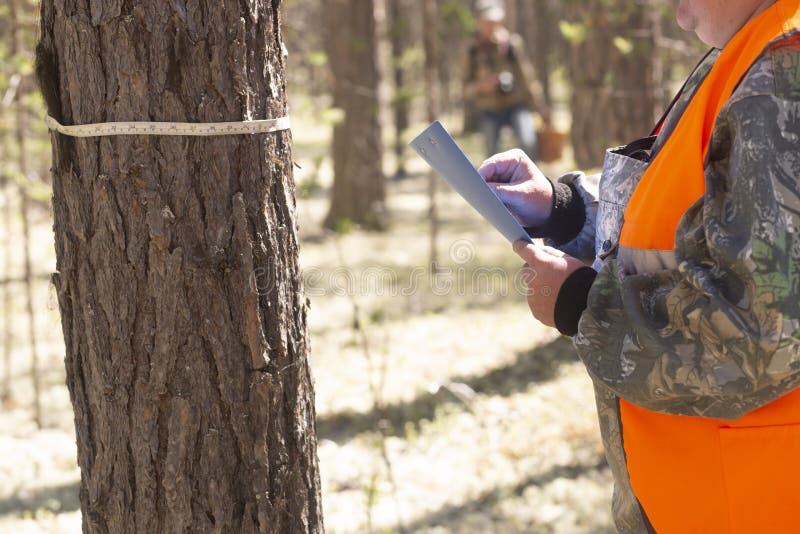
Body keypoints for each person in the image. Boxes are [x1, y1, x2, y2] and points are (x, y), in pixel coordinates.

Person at [480, 0, 800, 531]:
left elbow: (761, 331)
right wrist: (565, 212)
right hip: (699, 492)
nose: (679, 17)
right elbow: (696, 225)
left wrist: (582, 304)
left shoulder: (784, 73)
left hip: (757, 502)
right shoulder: (748, 53)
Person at [463, 0, 546, 160]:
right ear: (478, 21)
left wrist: (539, 106)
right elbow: (465, 88)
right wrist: (482, 86)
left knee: (527, 142)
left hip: (516, 103)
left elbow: (527, 77)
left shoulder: (511, 44)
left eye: (494, 21)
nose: (491, 25)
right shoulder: (471, 50)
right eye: (487, 21)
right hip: (488, 109)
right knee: (493, 155)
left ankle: (531, 180)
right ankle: (495, 185)